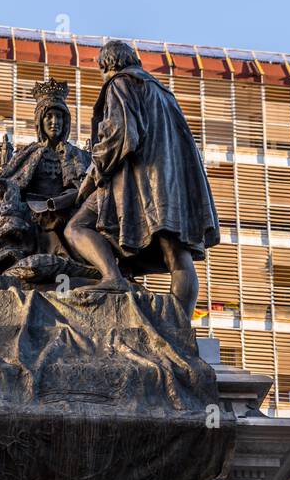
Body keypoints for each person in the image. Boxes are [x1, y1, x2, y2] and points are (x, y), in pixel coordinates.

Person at [65, 39, 220, 316]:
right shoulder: (163, 93)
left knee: (76, 228)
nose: (103, 76)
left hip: (141, 184)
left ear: (108, 65)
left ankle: (113, 278)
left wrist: (92, 175)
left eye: (102, 70)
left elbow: (120, 135)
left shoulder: (121, 83)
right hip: (175, 186)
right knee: (177, 256)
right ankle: (179, 327)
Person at [0, 79, 91, 316]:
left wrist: (62, 201)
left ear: (66, 121)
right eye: (49, 117)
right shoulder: (29, 153)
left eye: (59, 117)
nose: (55, 122)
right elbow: (11, 181)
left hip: (65, 216)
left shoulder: (76, 155)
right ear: (40, 121)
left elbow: (84, 189)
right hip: (31, 217)